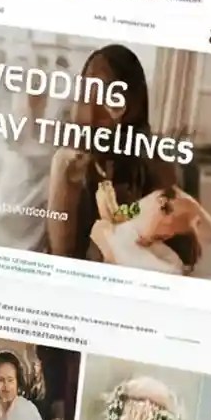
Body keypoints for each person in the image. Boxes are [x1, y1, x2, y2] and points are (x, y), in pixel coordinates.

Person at [46, 44, 179, 260]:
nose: (91, 112)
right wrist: (64, 186)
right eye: (86, 95)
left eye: (108, 95)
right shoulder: (70, 160)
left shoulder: (155, 162)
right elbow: (61, 253)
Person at [0, 352, 47, 420]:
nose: (6, 386)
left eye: (10, 380)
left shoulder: (28, 409)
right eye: (1, 380)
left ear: (17, 381)